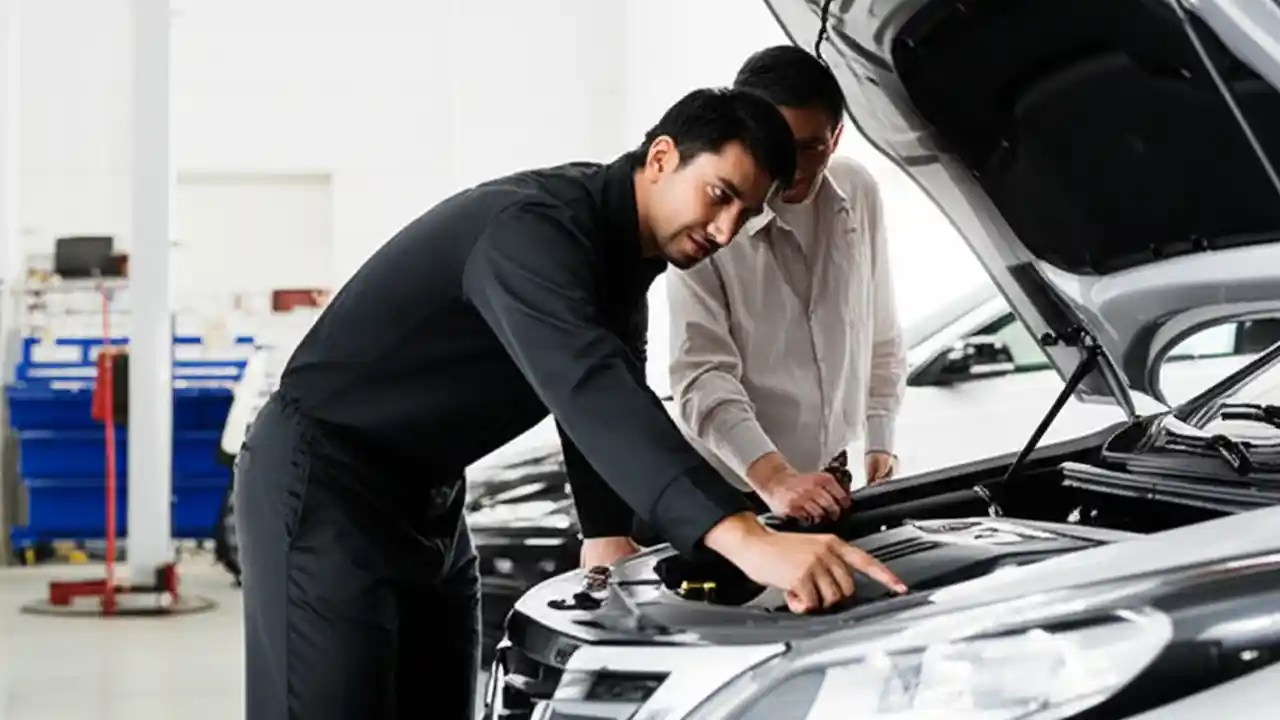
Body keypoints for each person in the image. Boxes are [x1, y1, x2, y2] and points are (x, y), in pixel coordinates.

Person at [233, 86, 908, 720]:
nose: (727, 229)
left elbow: (608, 396)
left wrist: (606, 536)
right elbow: (588, 386)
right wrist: (744, 539)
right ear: (663, 157)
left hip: (429, 498)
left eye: (747, 212)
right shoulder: (533, 230)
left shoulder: (621, 264)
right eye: (719, 195)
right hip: (324, 481)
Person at [666, 47, 908, 528]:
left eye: (810, 146)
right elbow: (701, 375)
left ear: (836, 137)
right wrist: (773, 479)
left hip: (830, 479)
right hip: (727, 490)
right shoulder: (700, 216)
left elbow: (880, 327)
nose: (792, 166)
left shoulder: (858, 191)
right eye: (776, 145)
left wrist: (880, 437)